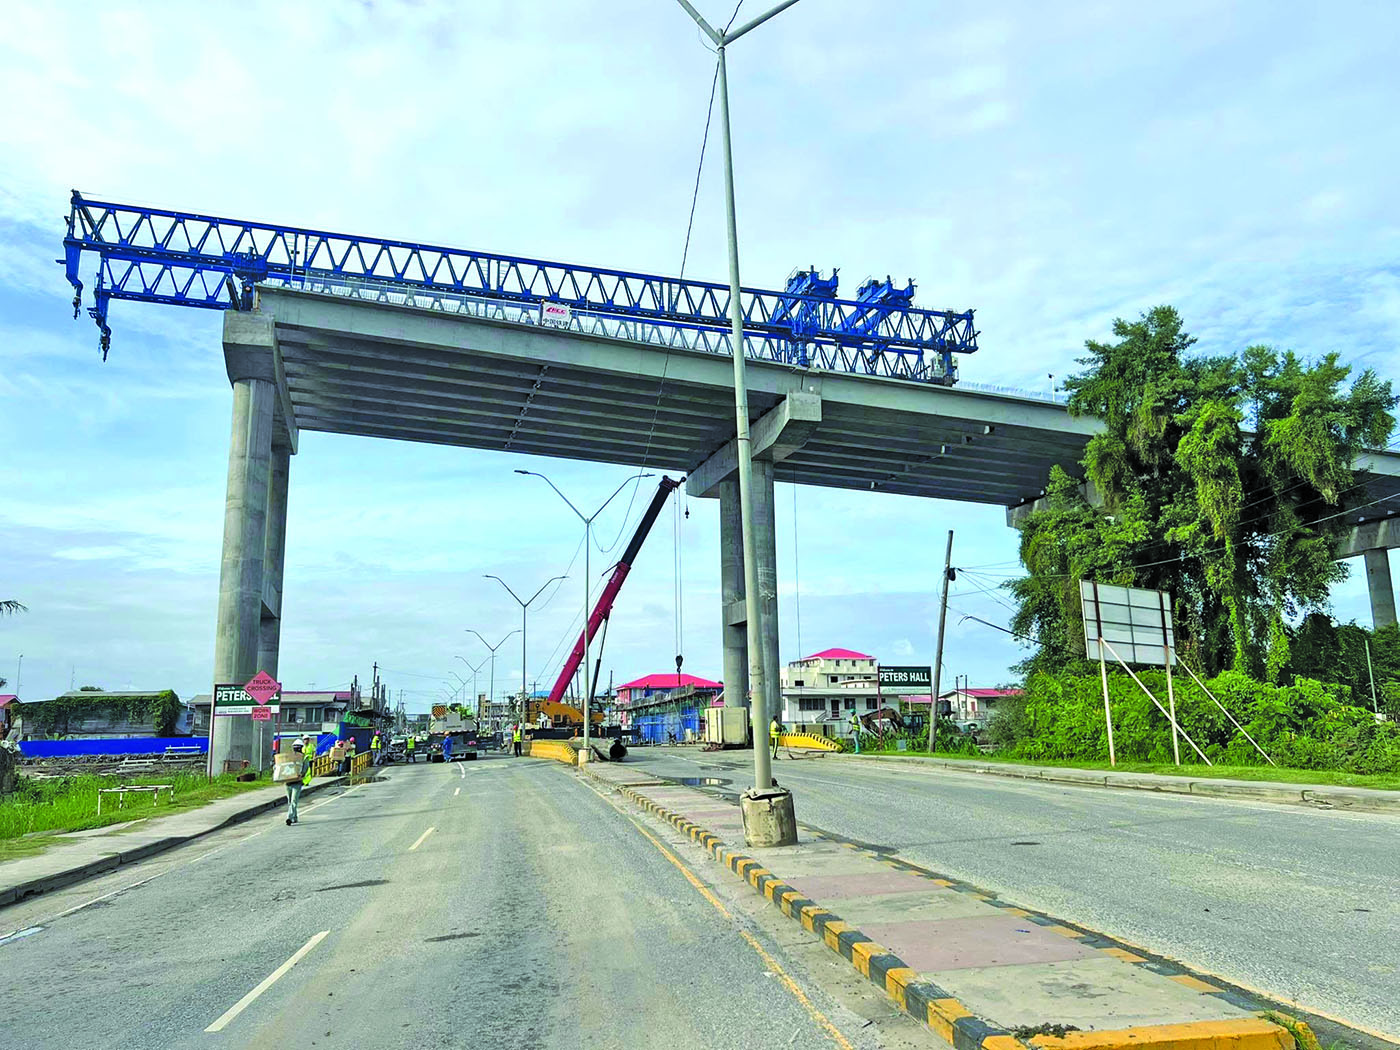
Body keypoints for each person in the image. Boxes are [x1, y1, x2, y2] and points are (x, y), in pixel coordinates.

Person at [284, 740, 307, 825]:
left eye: (298, 747)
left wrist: (301, 774)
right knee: (290, 801)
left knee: (293, 801)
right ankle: (295, 817)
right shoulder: (288, 757)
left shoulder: (304, 758)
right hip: (288, 782)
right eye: (295, 747)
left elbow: (305, 768)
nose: (297, 749)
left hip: (297, 783)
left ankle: (289, 817)